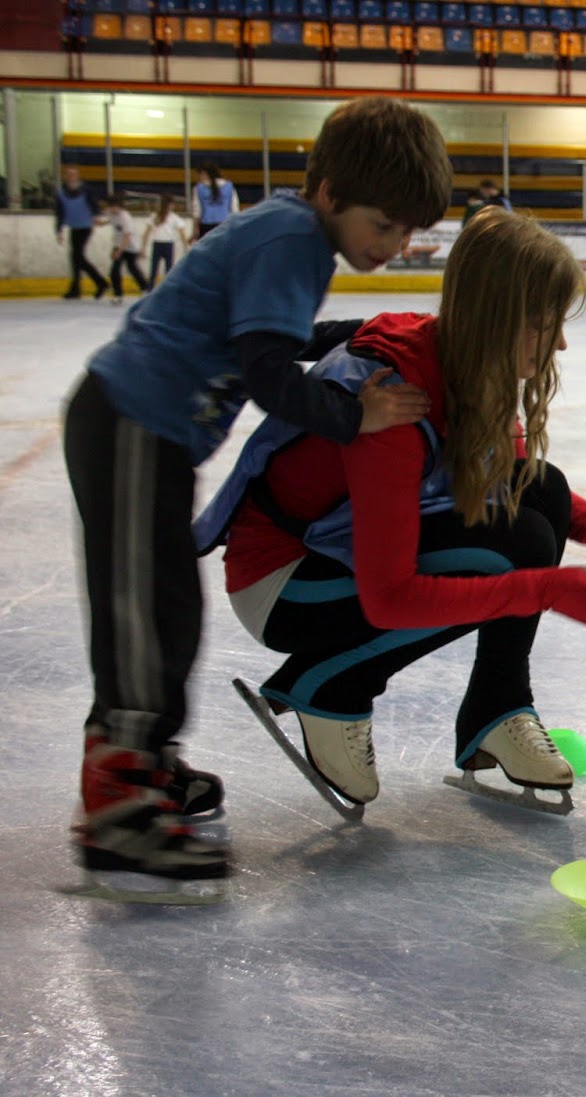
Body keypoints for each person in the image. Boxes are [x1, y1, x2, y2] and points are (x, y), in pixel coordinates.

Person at [62, 97, 454, 904]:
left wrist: (374, 331)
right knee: (143, 612)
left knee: (166, 609)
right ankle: (120, 802)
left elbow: (277, 338)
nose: (394, 245)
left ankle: (140, 759)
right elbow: (273, 375)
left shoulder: (291, 231)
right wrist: (357, 413)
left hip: (147, 430)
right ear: (330, 190)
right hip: (133, 421)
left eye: (408, 232)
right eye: (384, 225)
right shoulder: (290, 239)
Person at [193, 209, 586, 811]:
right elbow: (391, 597)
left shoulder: (466, 362)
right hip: (284, 586)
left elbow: (514, 476)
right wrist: (548, 589)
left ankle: (497, 707)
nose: (559, 342)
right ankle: (326, 686)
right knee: (497, 555)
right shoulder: (395, 402)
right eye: (542, 324)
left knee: (542, 494)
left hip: (337, 556)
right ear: (494, 320)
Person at [54, 165, 109, 300]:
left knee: (77, 256)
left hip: (85, 226)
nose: (71, 177)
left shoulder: (86, 190)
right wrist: (59, 230)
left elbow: (94, 205)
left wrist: (96, 216)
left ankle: (100, 283)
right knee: (75, 257)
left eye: (73, 174)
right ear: (65, 176)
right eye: (68, 174)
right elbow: (60, 213)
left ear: (78, 176)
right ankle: (76, 288)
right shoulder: (61, 193)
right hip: (74, 227)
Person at [104, 192, 150, 304]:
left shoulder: (125, 216)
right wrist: (100, 223)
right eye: (109, 206)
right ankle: (118, 294)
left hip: (130, 246)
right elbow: (110, 220)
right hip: (119, 244)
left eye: (113, 206)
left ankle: (146, 289)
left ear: (118, 206)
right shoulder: (111, 213)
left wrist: (119, 251)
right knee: (114, 271)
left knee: (132, 268)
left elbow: (127, 236)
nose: (111, 209)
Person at [143, 194, 187, 285]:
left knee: (169, 269)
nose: (172, 206)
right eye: (171, 204)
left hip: (168, 244)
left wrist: (185, 246)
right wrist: (143, 247)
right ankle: (150, 288)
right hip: (158, 243)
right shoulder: (155, 216)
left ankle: (167, 287)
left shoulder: (174, 217)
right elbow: (147, 232)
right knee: (154, 268)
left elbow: (182, 233)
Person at [190, 162, 239, 241]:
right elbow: (234, 209)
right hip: (225, 224)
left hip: (206, 225)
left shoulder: (199, 188)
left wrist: (195, 230)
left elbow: (197, 211)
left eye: (200, 174)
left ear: (205, 173)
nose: (200, 177)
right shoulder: (229, 186)